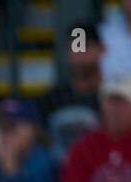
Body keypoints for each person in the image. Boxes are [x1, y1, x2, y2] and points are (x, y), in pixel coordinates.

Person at [34, 21, 103, 162]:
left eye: (85, 47)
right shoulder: (52, 98)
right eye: (75, 48)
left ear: (101, 49)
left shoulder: (112, 97)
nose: (80, 56)